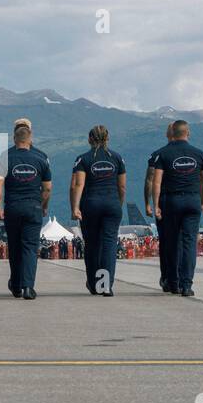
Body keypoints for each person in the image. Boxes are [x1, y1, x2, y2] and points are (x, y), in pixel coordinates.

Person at [146, 119, 203, 296]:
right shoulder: (200, 154)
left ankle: (173, 283)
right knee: (189, 243)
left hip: (171, 202)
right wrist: (202, 202)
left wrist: (155, 204)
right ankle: (187, 284)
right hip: (192, 201)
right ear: (188, 133)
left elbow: (156, 181)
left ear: (171, 133)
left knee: (172, 242)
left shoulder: (163, 154)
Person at [0, 118, 51, 300]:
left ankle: (16, 285)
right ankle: (28, 287)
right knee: (30, 248)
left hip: (13, 208)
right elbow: (47, 188)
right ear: (30, 136)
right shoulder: (42, 157)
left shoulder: (5, 156)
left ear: (14, 137)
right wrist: (43, 206)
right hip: (33, 207)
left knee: (15, 247)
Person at [71, 124, 126, 296]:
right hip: (112, 204)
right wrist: (118, 203)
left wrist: (75, 207)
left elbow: (78, 184)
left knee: (92, 245)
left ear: (89, 140)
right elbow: (122, 186)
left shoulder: (83, 159)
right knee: (109, 244)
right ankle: (106, 285)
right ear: (107, 138)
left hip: (91, 205)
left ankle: (94, 284)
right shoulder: (117, 158)